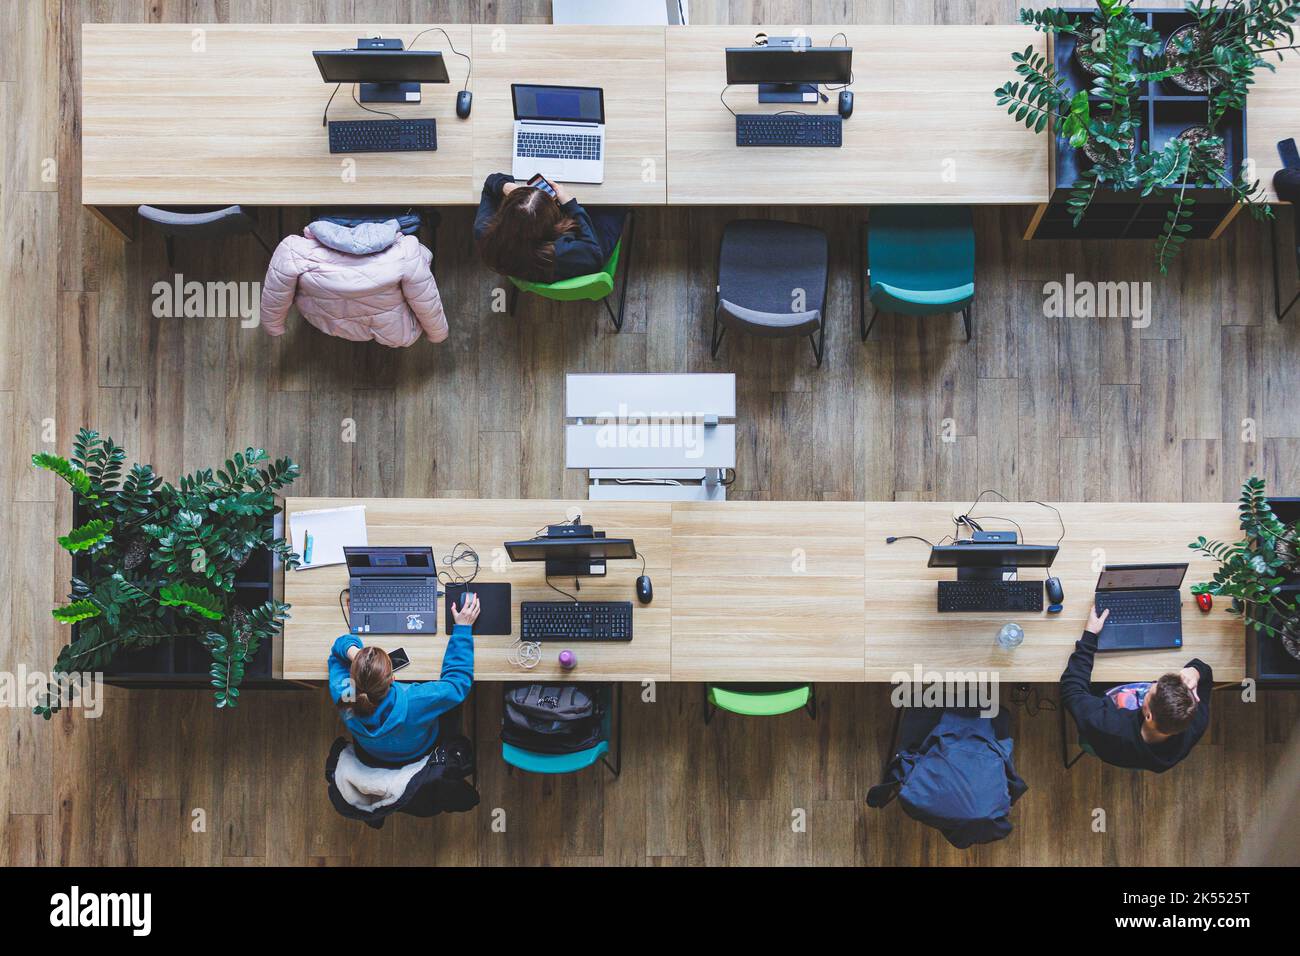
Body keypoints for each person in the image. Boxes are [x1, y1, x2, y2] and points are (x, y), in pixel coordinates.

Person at [327, 594, 480, 764]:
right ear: (393, 678)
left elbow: (336, 652)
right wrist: (463, 630)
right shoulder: (417, 699)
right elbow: (458, 684)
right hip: (419, 750)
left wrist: (358, 657)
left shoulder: (344, 694)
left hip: (373, 753)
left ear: (352, 677)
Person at [1059, 606, 1212, 772]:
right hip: (1139, 755)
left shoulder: (1107, 726)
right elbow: (1206, 673)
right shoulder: (1195, 720)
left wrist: (1090, 635)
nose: (1149, 686)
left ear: (1148, 714)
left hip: (1112, 739)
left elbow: (1071, 689)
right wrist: (1195, 671)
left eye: (1148, 692)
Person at [261, 217, 448, 347]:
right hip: (394, 331)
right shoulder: (406, 251)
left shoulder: (294, 249)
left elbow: (275, 294)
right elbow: (425, 299)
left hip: (324, 322)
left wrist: (274, 326)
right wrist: (437, 333)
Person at [474, 172, 627, 283]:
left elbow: (490, 183)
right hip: (574, 261)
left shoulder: (485, 231)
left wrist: (511, 190)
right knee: (615, 202)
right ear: (552, 220)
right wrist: (569, 204)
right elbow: (595, 254)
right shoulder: (560, 253)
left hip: (524, 268)